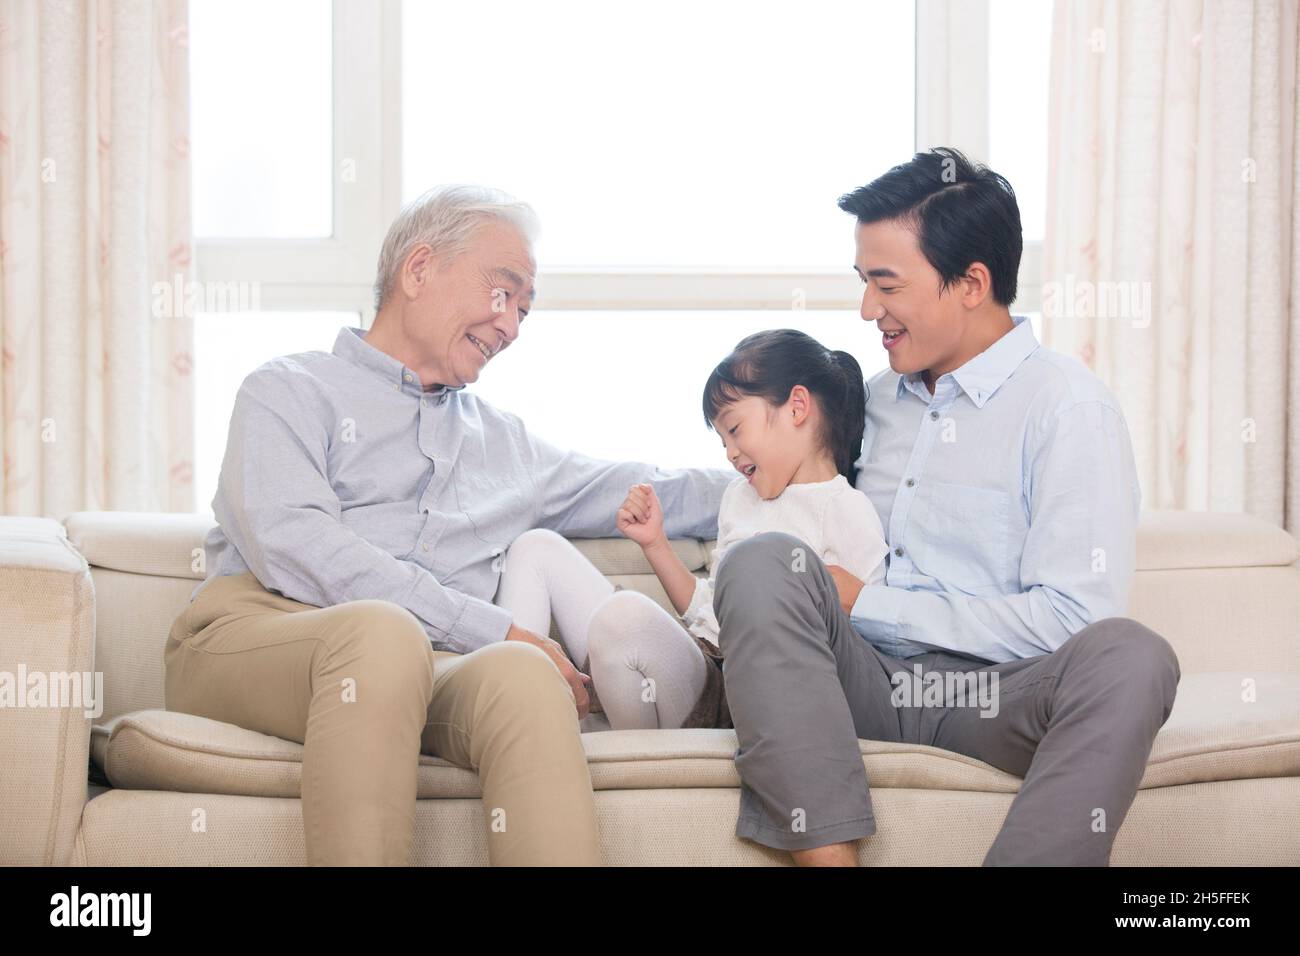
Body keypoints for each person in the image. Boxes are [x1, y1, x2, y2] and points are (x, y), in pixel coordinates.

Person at [164, 185, 733, 865]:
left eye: (525, 310)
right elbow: (296, 543)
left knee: (525, 678)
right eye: (503, 294)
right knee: (387, 633)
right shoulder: (287, 390)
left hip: (424, 667)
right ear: (419, 270)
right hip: (255, 635)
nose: (514, 326)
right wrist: (489, 626)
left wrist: (809, 471)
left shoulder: (506, 445)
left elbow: (650, 488)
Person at [712, 148, 1181, 866]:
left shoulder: (1068, 409)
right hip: (860, 678)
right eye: (864, 283)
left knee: (1132, 655)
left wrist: (870, 602)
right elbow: (764, 470)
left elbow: (1072, 617)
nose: (868, 310)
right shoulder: (870, 400)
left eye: (885, 284)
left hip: (993, 695)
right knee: (764, 559)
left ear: (971, 284)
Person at [495, 329, 889, 730]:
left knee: (622, 616)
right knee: (536, 548)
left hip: (743, 690)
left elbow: (867, 646)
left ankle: (619, 745)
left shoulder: (846, 510)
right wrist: (655, 544)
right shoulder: (740, 498)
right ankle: (514, 720)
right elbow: (706, 612)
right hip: (696, 665)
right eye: (722, 440)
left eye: (734, 429)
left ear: (797, 407)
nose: (730, 453)